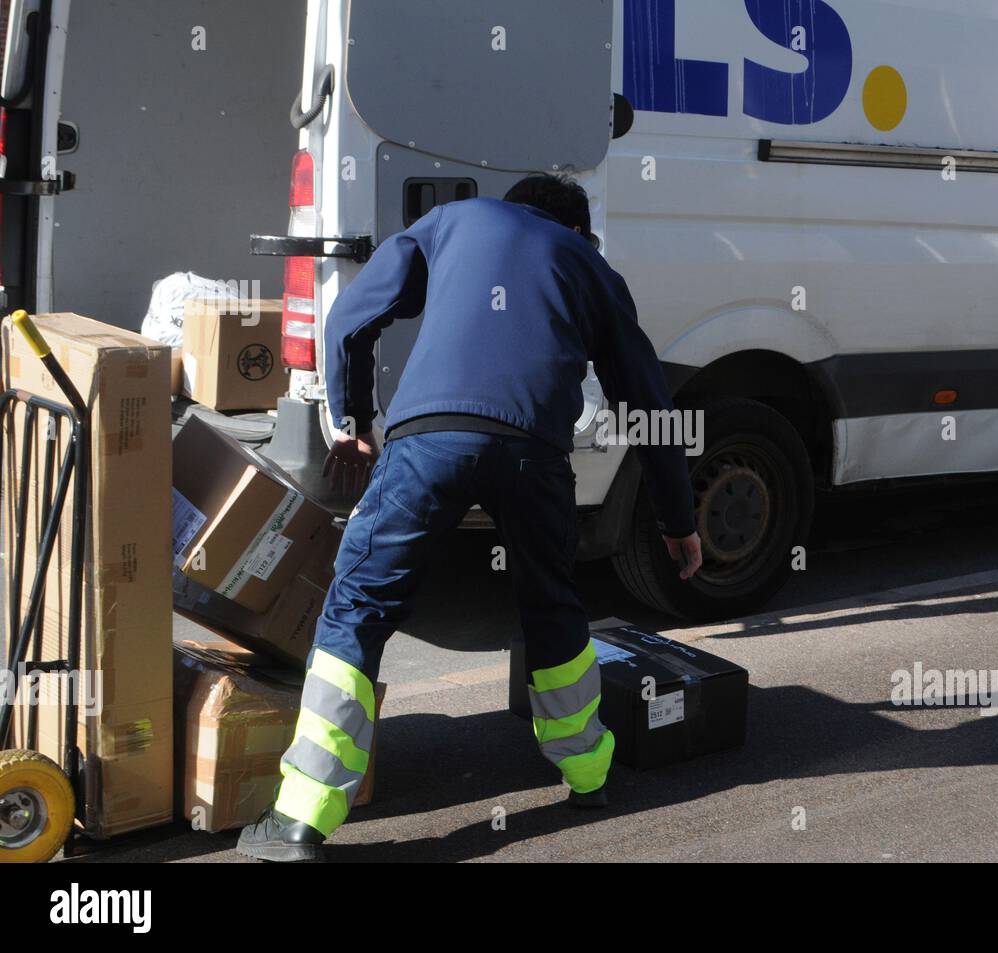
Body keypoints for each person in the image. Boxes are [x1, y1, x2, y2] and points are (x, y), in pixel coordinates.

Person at [237, 175, 702, 861]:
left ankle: (302, 818)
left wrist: (356, 419)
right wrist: (676, 517)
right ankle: (587, 774)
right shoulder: (590, 266)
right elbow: (649, 402)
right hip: (535, 452)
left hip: (429, 438)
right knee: (551, 602)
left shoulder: (452, 222)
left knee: (360, 605)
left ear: (514, 205)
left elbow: (349, 319)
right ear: (575, 228)